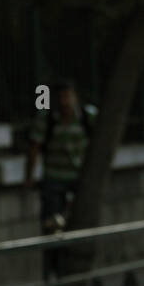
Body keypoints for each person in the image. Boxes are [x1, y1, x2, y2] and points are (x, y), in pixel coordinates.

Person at [23, 78, 96, 232]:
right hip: (54, 178)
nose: (64, 102)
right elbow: (34, 148)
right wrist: (29, 177)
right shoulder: (47, 119)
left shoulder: (87, 116)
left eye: (67, 97)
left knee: (80, 223)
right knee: (51, 222)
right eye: (61, 98)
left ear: (75, 97)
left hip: (79, 177)